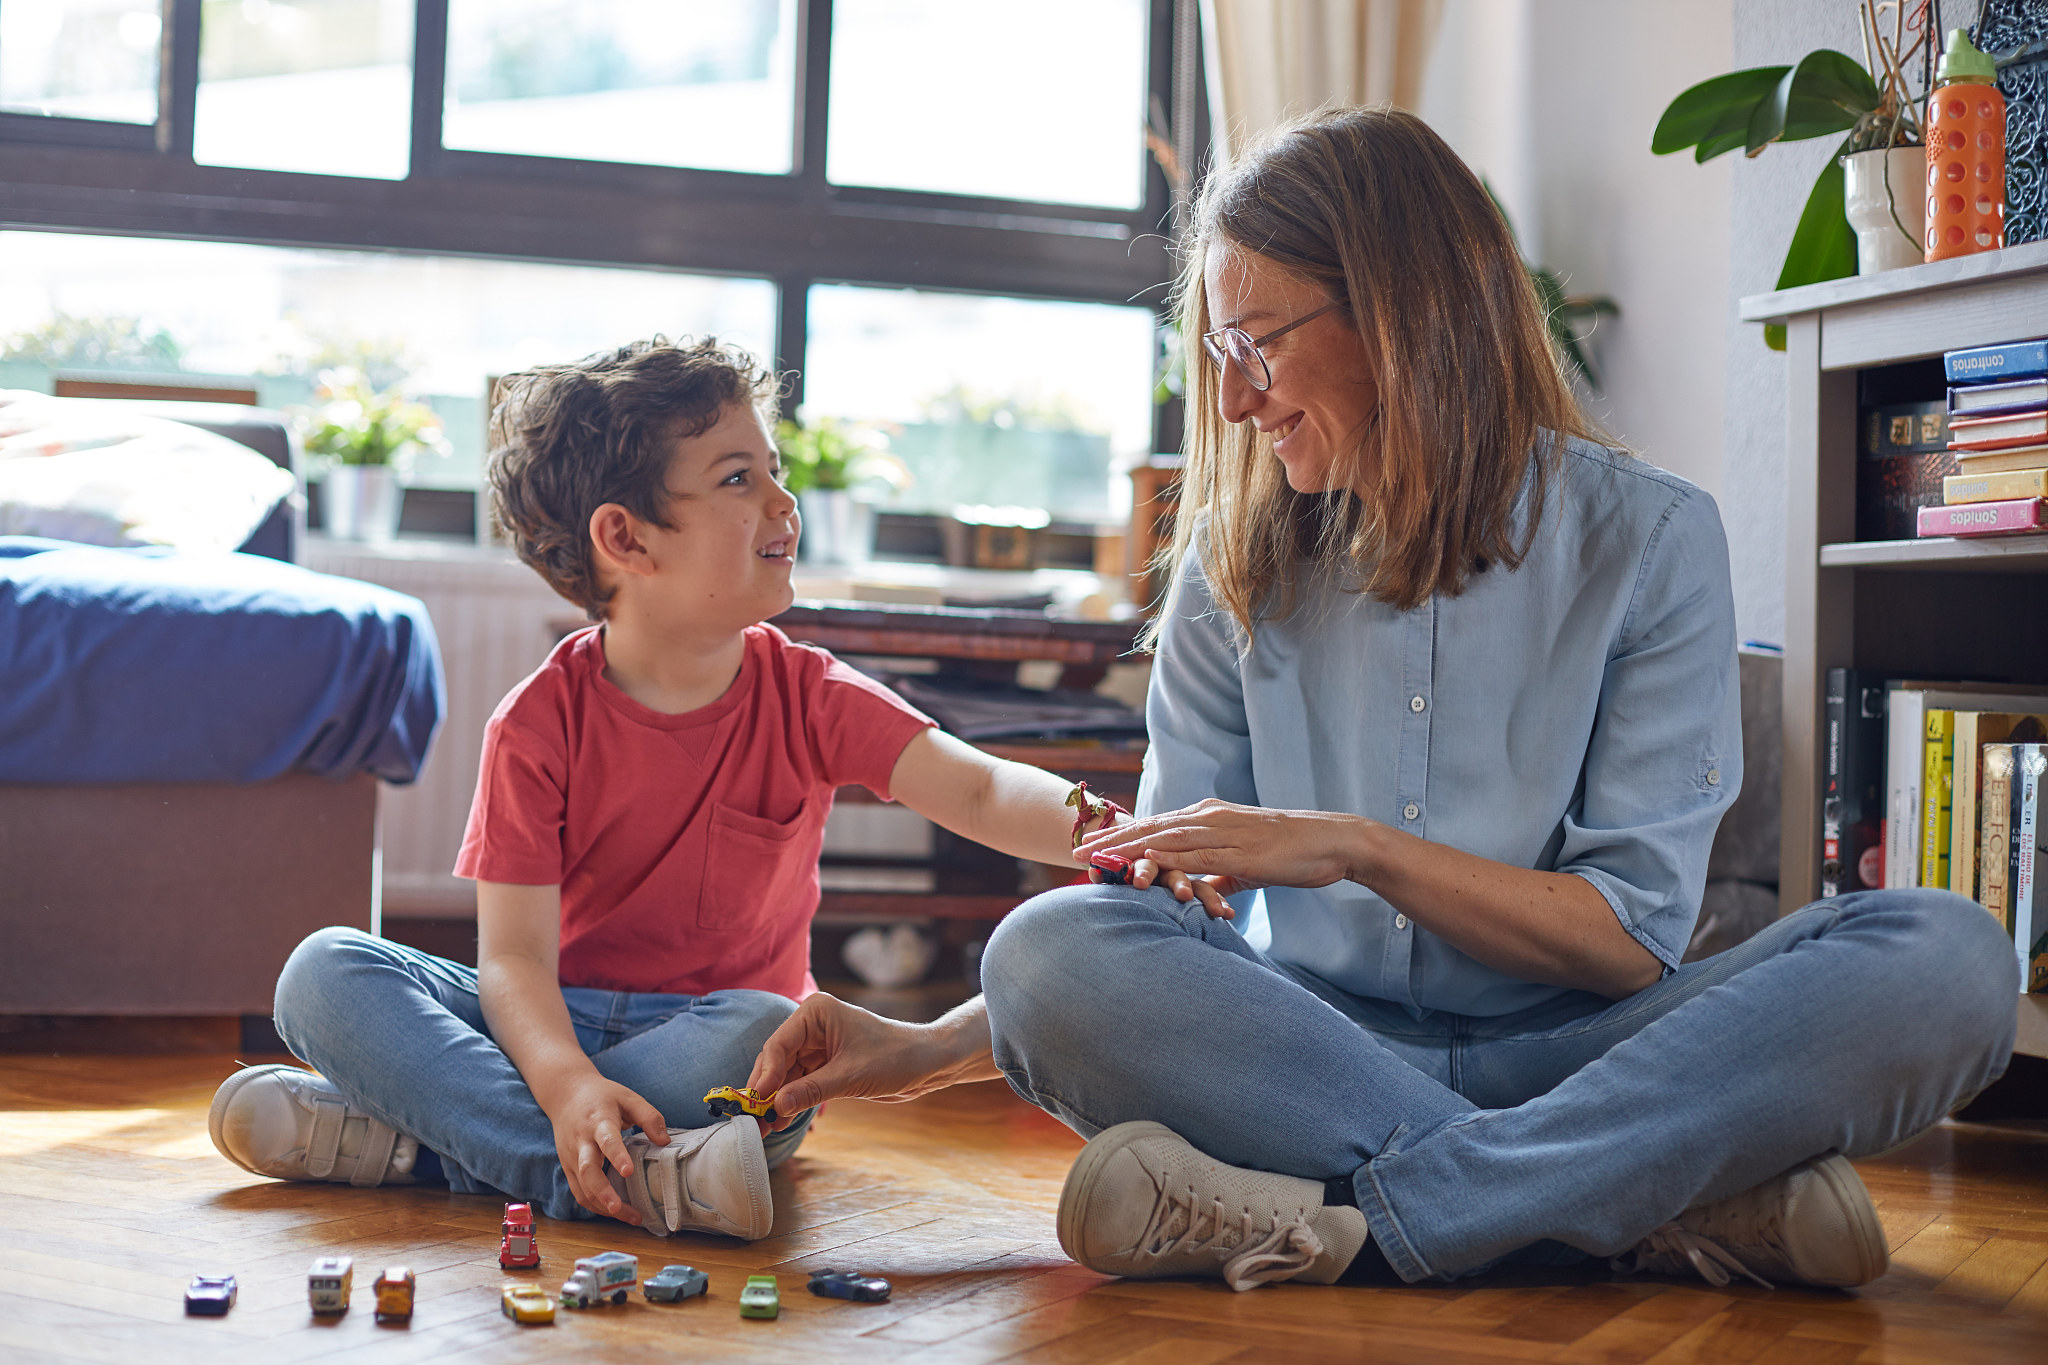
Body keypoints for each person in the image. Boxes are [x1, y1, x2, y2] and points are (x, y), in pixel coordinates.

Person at [748, 108, 2020, 1292]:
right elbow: (1158, 912)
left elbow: (1625, 939)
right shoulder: (1228, 564)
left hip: (1592, 1053)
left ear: (1403, 315)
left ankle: (1350, 1221)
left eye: (1257, 347)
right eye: (1218, 355)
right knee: (1043, 950)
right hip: (1306, 1058)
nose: (1235, 401)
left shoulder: (1650, 542)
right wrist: (925, 1052)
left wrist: (1352, 850)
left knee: (1948, 958)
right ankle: (1643, 1204)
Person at [206, 338, 1194, 1238]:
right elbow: (509, 964)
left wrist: (1120, 836)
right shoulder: (536, 722)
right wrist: (562, 1086)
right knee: (323, 970)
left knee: (768, 1032)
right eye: (737, 477)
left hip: (710, 1046)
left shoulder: (808, 692)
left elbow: (977, 792)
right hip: (552, 1025)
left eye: (774, 471)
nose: (782, 502)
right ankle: (603, 1166)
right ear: (627, 540)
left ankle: (421, 1141)